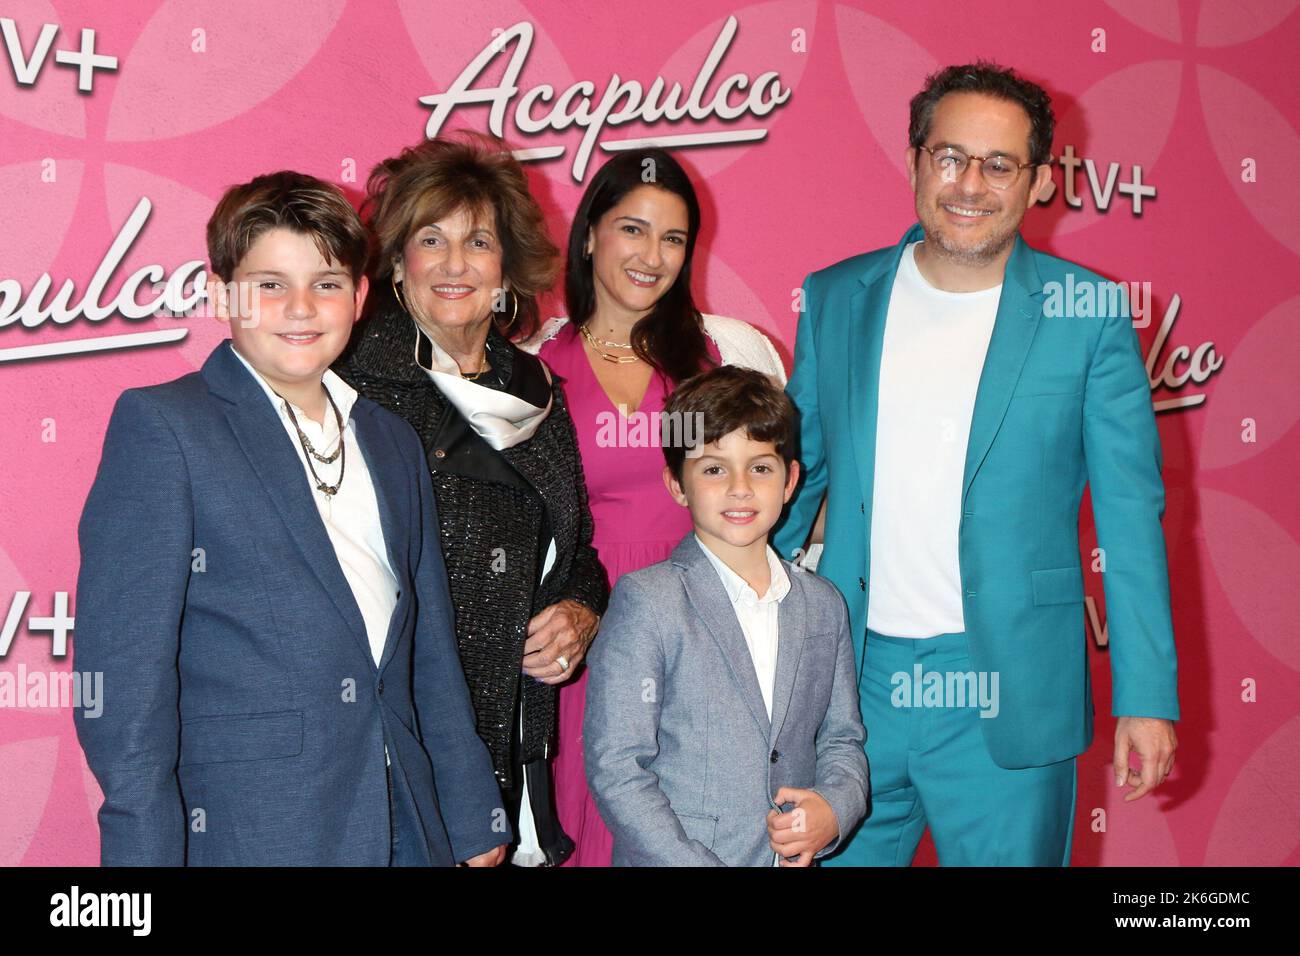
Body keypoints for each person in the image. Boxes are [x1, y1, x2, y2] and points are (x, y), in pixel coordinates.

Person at [773, 62, 1180, 866]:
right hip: (851, 686)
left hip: (1008, 688)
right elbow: (794, 479)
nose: (971, 184)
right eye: (950, 156)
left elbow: (1131, 520)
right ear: (917, 158)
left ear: (1035, 181)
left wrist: (1147, 697)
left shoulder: (1089, 314)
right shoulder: (838, 297)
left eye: (1000, 165)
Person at [73, 171, 506, 866]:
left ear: (360, 298)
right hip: (255, 828)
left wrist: (469, 807)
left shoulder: (392, 439)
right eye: (270, 284)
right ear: (222, 296)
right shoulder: (166, 428)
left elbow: (428, 645)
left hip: (405, 816)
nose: (301, 307)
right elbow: (123, 684)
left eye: (327, 283)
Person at [334, 133, 608, 866]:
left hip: (517, 746)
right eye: (432, 239)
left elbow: (575, 549)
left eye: (479, 242)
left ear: (507, 268)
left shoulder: (534, 390)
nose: (456, 265)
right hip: (402, 759)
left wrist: (580, 613)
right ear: (397, 263)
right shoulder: (352, 386)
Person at [520, 147, 786, 866]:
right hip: (589, 633)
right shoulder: (534, 367)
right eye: (632, 230)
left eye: (673, 238)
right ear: (589, 236)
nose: (652, 255)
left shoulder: (726, 353)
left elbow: (775, 495)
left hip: (709, 631)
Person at [584, 365, 868, 866]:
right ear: (677, 485)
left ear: (790, 480)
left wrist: (834, 810)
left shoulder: (824, 605)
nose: (740, 487)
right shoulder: (648, 601)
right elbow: (617, 766)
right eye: (714, 468)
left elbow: (843, 739)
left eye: (760, 467)